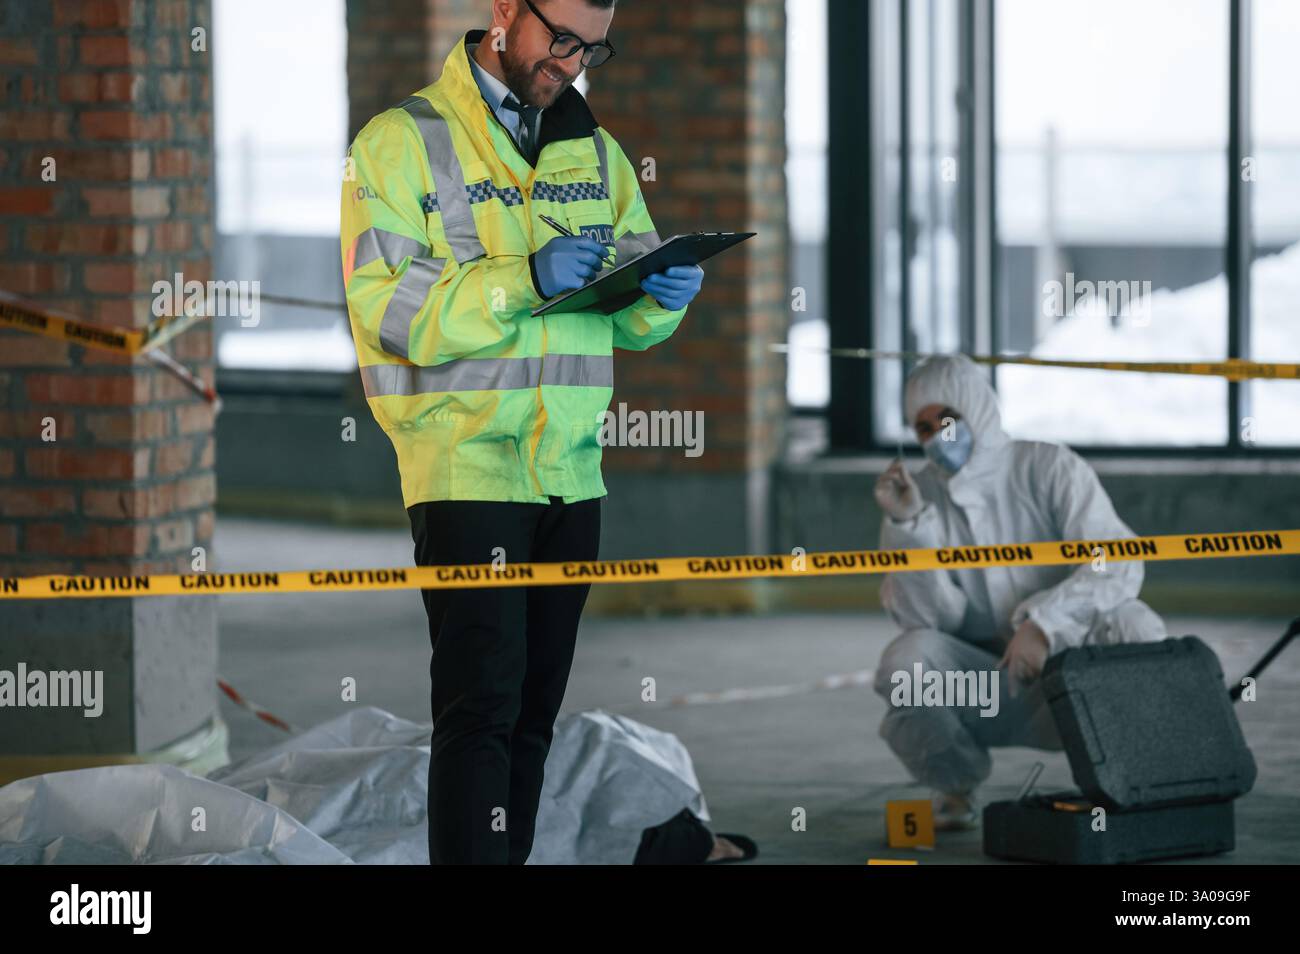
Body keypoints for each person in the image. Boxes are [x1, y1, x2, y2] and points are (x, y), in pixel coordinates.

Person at [339, 0, 705, 864]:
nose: (573, 62)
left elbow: (619, 312)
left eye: (592, 46)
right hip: (467, 468)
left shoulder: (596, 150)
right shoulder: (398, 145)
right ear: (505, 9)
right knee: (480, 717)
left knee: (534, 717)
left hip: (571, 475)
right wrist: (518, 280)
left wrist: (658, 300)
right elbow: (384, 307)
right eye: (562, 38)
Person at [871, 355, 1167, 830]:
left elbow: (1116, 561)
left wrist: (1045, 626)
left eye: (946, 419)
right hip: (991, 686)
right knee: (905, 661)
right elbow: (928, 622)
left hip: (1077, 677)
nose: (935, 437)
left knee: (1137, 625)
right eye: (922, 428)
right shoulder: (923, 494)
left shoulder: (1047, 467)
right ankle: (955, 785)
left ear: (977, 409)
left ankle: (1140, 781)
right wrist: (909, 527)